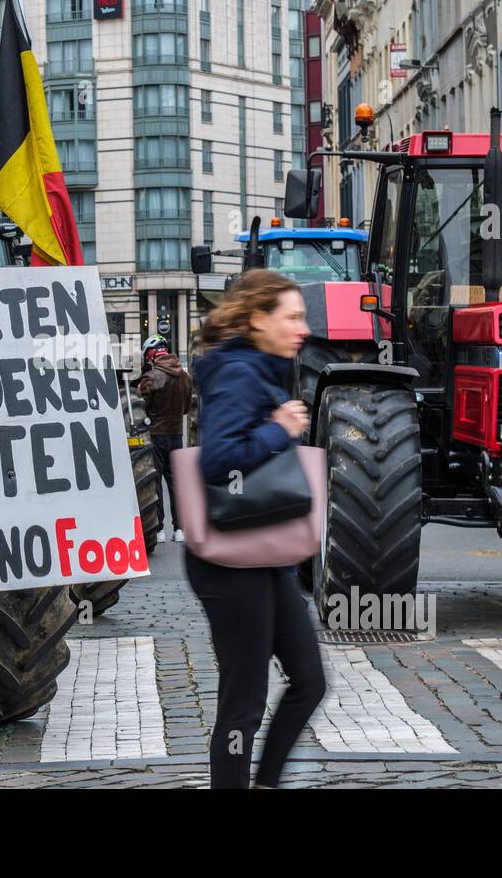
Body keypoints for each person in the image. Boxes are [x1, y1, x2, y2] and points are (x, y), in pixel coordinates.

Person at [185, 268, 327, 789]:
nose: (303, 328)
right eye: (291, 317)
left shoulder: (262, 370)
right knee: (242, 702)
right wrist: (280, 429)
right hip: (229, 560)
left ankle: (264, 784)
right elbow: (219, 461)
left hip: (265, 552)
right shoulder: (238, 373)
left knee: (308, 680)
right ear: (256, 319)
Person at [137, 335, 193, 544]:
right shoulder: (185, 377)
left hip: (156, 435)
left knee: (156, 482)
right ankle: (180, 529)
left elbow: (142, 410)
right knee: (176, 483)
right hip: (176, 435)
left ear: (151, 354)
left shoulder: (151, 377)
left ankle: (158, 530)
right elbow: (187, 408)